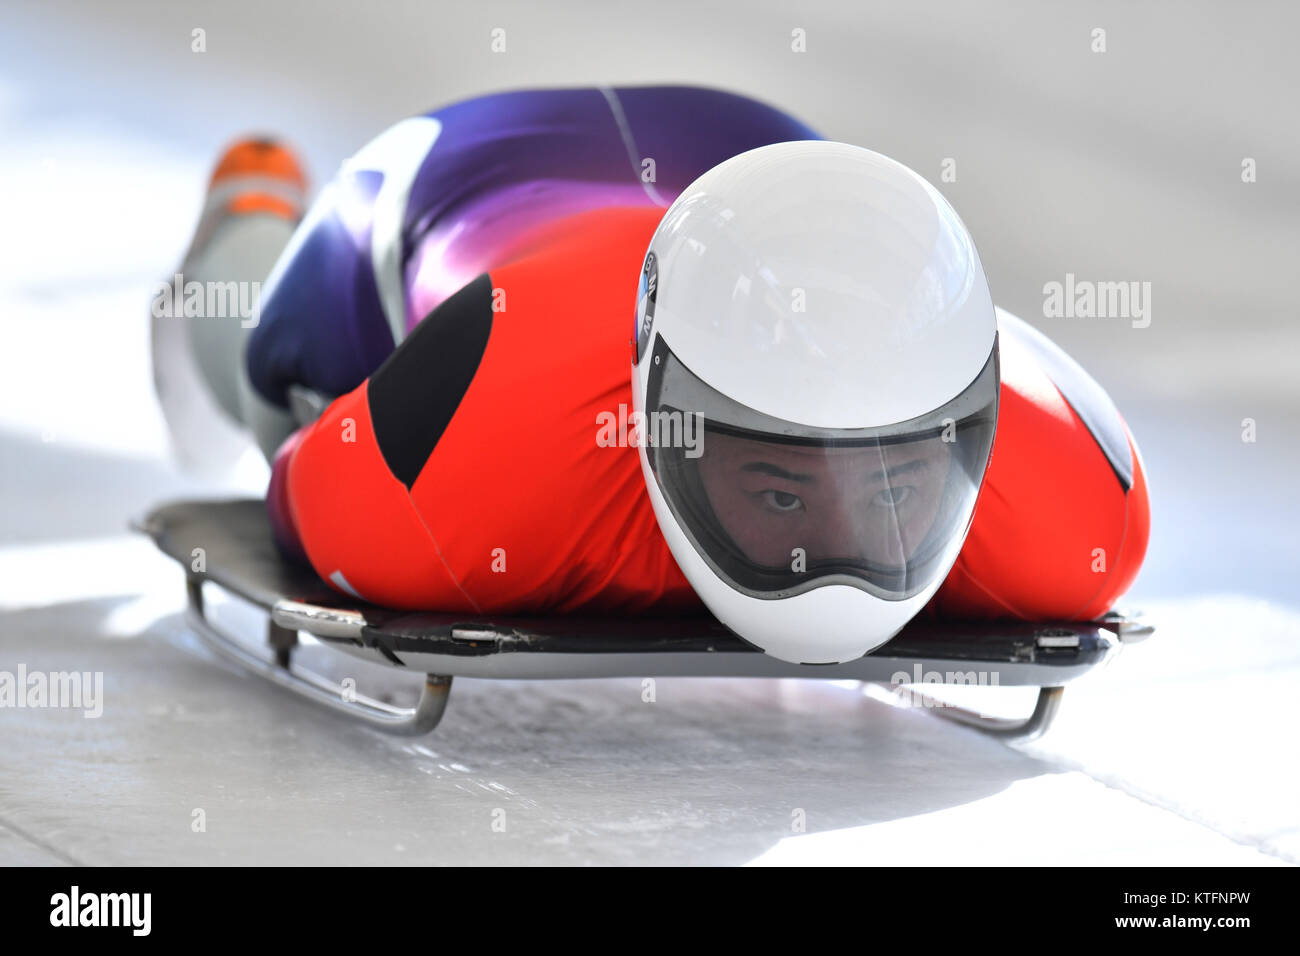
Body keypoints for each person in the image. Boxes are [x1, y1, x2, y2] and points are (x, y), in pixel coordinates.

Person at [155, 85, 1149, 665]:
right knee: (256, 371)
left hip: (768, 179)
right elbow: (296, 476)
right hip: (433, 184)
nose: (830, 549)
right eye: (778, 485)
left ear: (970, 433)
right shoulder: (455, 497)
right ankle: (256, 191)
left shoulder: (1075, 512)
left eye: (891, 483)